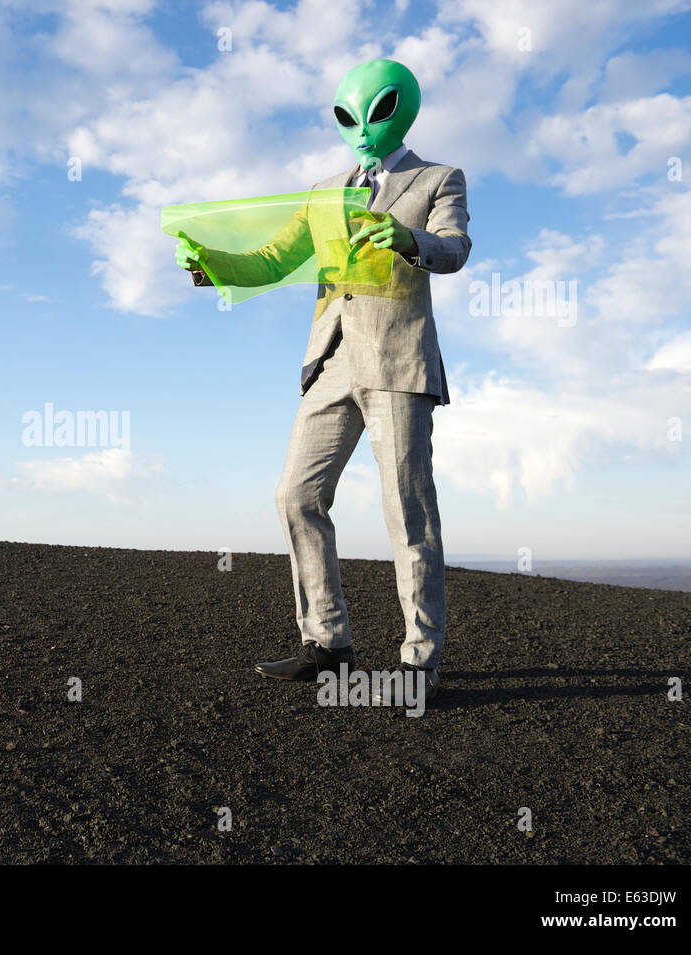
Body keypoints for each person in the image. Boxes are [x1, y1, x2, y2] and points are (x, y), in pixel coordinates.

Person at [176, 59, 471, 704]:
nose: (362, 126)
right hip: (331, 359)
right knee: (295, 495)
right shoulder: (325, 190)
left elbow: (454, 248)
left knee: (407, 510)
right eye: (348, 114)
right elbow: (273, 258)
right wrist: (212, 265)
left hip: (397, 361)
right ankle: (327, 642)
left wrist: (406, 236)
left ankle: (420, 664)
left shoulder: (438, 178)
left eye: (376, 109)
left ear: (405, 108)